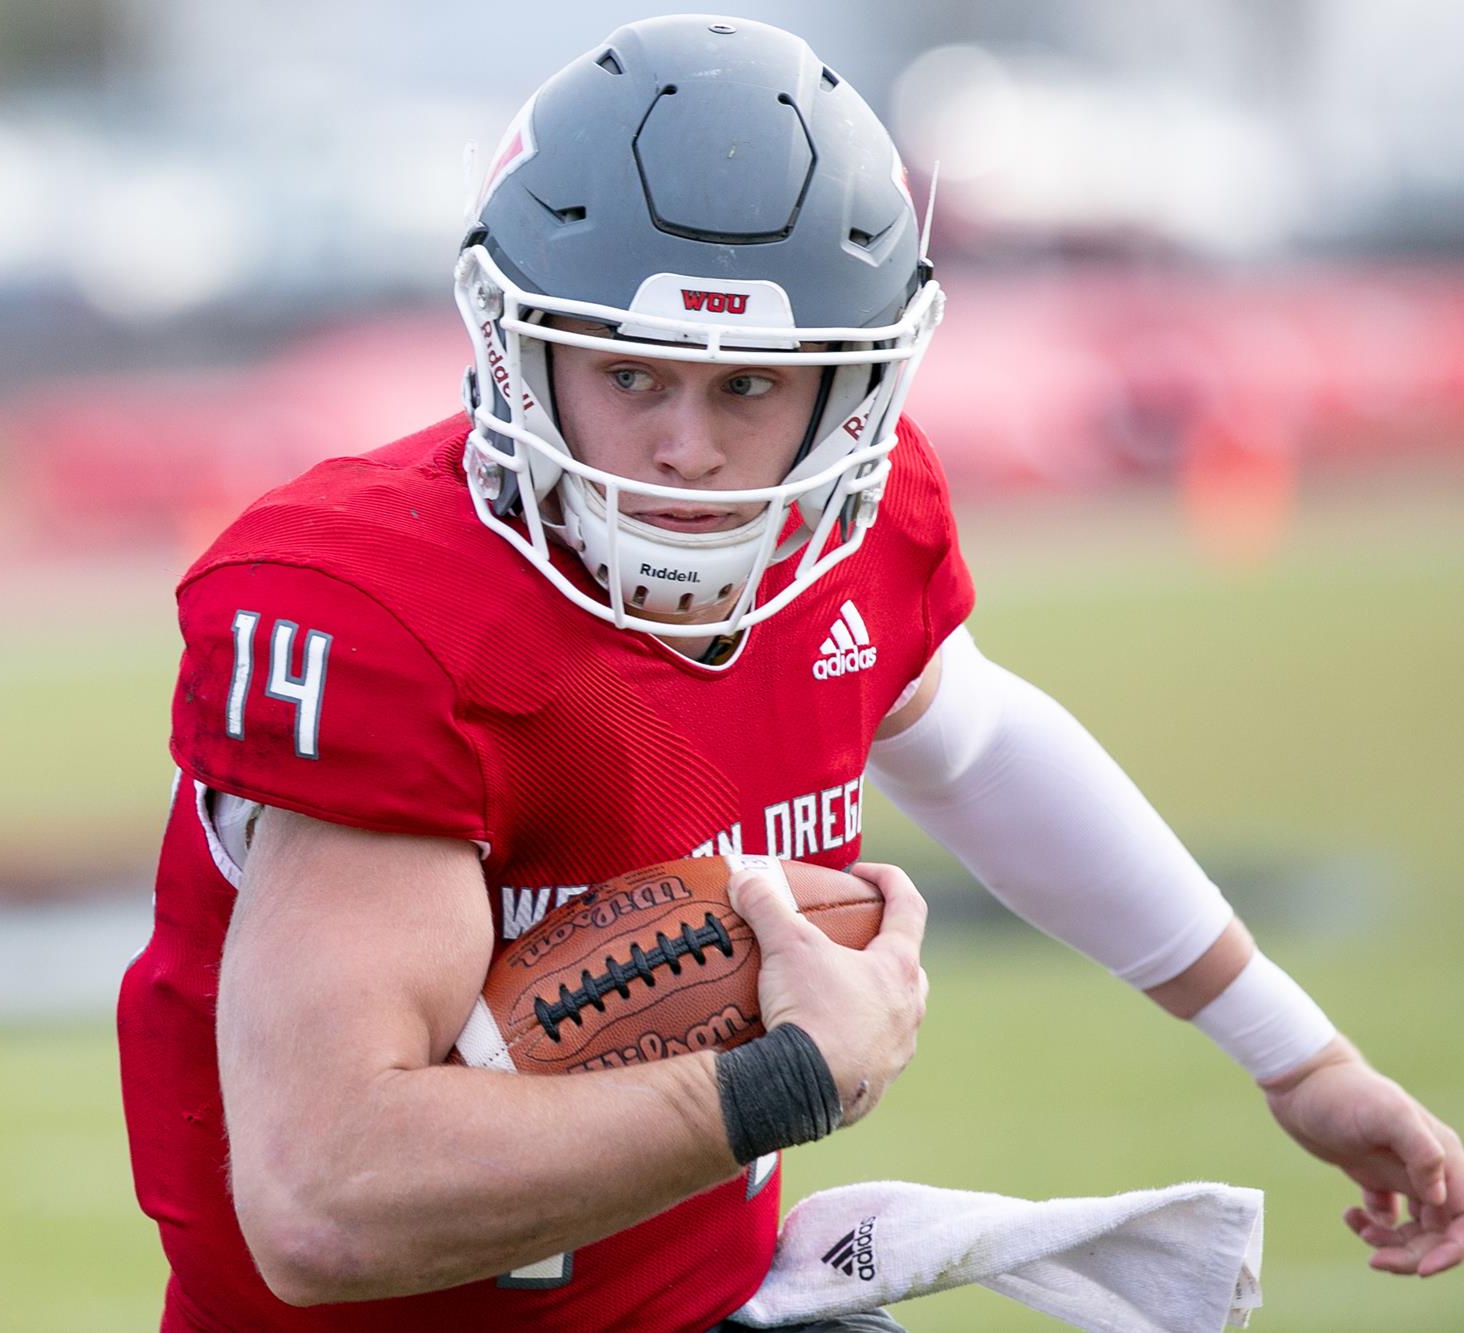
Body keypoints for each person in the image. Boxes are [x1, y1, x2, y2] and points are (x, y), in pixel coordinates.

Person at [117, 16, 1463, 1331]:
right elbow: (327, 1202)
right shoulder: (384, 614)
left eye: (750, 387)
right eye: (631, 374)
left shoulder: (847, 540)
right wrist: (786, 1083)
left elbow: (982, 748)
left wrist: (1300, 1056)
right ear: (518, 350)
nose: (688, 451)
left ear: (851, 390)